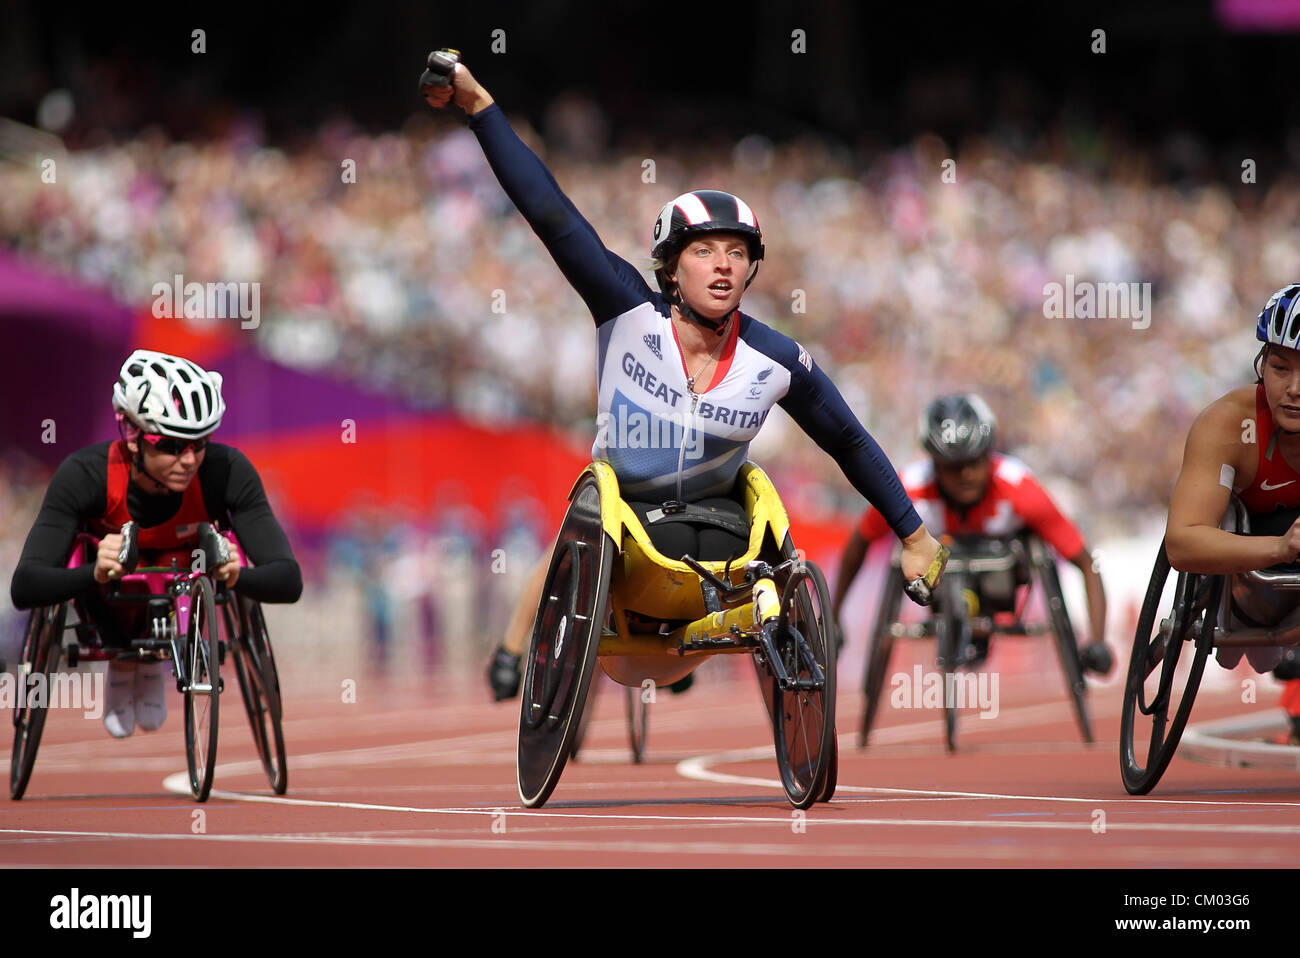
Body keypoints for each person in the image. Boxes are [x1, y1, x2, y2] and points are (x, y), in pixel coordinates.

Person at [419, 55, 946, 700]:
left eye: (737, 253)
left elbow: (850, 440)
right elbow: (551, 214)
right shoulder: (625, 308)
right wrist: (480, 109)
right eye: (704, 251)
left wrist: (915, 537)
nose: (723, 266)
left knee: (772, 522)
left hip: (720, 537)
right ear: (671, 269)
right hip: (622, 525)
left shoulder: (777, 360)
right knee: (581, 517)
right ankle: (515, 643)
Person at [10, 349, 302, 737]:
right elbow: (25, 586)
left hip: (183, 575)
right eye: (170, 445)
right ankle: (126, 661)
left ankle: (146, 664)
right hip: (109, 591)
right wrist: (92, 571)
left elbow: (288, 580)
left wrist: (237, 575)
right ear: (131, 434)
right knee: (94, 557)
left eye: (200, 443)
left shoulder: (226, 472)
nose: (188, 459)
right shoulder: (84, 475)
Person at [833, 394, 1111, 671]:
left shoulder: (1020, 489)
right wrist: (833, 616)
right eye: (953, 466)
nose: (965, 474)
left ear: (989, 454)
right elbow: (860, 543)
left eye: (974, 462)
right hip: (939, 581)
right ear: (934, 463)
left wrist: (1097, 640)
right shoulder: (908, 489)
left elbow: (1086, 563)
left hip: (1004, 579)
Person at [1165, 284, 1300, 710]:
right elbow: (1182, 543)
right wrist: (1282, 546)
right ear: (1261, 365)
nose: (1294, 388)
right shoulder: (1228, 424)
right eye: (1280, 368)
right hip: (1249, 582)